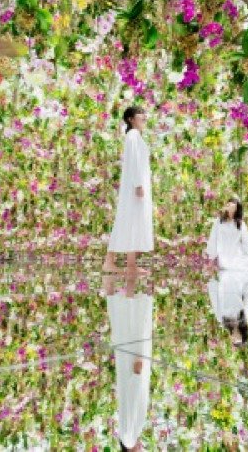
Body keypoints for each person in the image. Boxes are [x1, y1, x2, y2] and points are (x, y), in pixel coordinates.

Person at [205, 198, 248, 345]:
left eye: (233, 205)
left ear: (237, 210)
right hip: (226, 260)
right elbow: (213, 239)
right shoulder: (219, 221)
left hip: (236, 260)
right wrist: (210, 257)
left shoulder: (223, 320)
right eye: (228, 204)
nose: (229, 206)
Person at [103, 106, 154, 278]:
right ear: (131, 119)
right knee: (127, 220)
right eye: (140, 115)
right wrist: (138, 184)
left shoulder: (136, 136)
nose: (144, 117)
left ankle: (131, 264)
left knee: (134, 222)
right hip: (134, 187)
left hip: (137, 186)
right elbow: (134, 162)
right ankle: (110, 261)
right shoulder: (133, 136)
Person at [106, 290, 153, 451]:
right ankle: (118, 287)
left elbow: (132, 405)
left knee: (134, 330)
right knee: (129, 331)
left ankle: (131, 283)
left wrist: (137, 375)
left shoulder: (129, 438)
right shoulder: (128, 437)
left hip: (134, 371)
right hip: (134, 373)